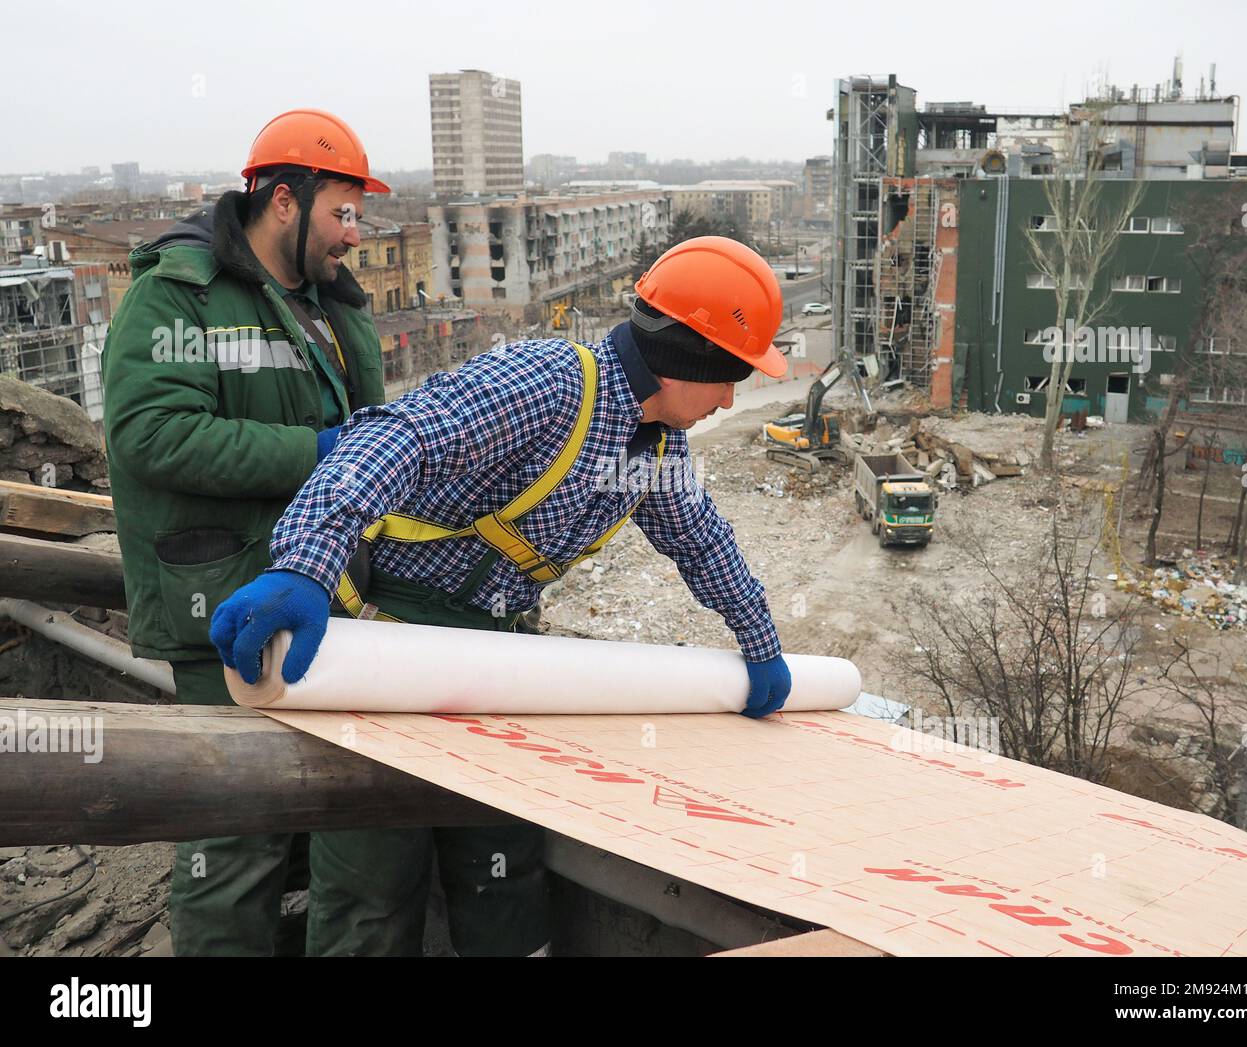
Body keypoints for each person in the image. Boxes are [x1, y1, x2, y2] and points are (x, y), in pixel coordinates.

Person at [211, 235, 795, 957]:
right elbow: (399, 438)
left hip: (492, 653)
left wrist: (761, 644)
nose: (733, 397)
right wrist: (303, 566)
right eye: (730, 374)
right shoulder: (549, 384)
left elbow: (701, 543)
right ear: (689, 358)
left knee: (502, 855)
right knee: (373, 870)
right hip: (384, 635)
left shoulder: (656, 448)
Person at [101, 108, 391, 955]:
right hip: (219, 601)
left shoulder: (333, 304)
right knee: (235, 844)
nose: (354, 233)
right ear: (285, 202)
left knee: (316, 819)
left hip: (325, 599)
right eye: (342, 211)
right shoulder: (178, 293)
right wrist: (319, 451)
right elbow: (151, 434)